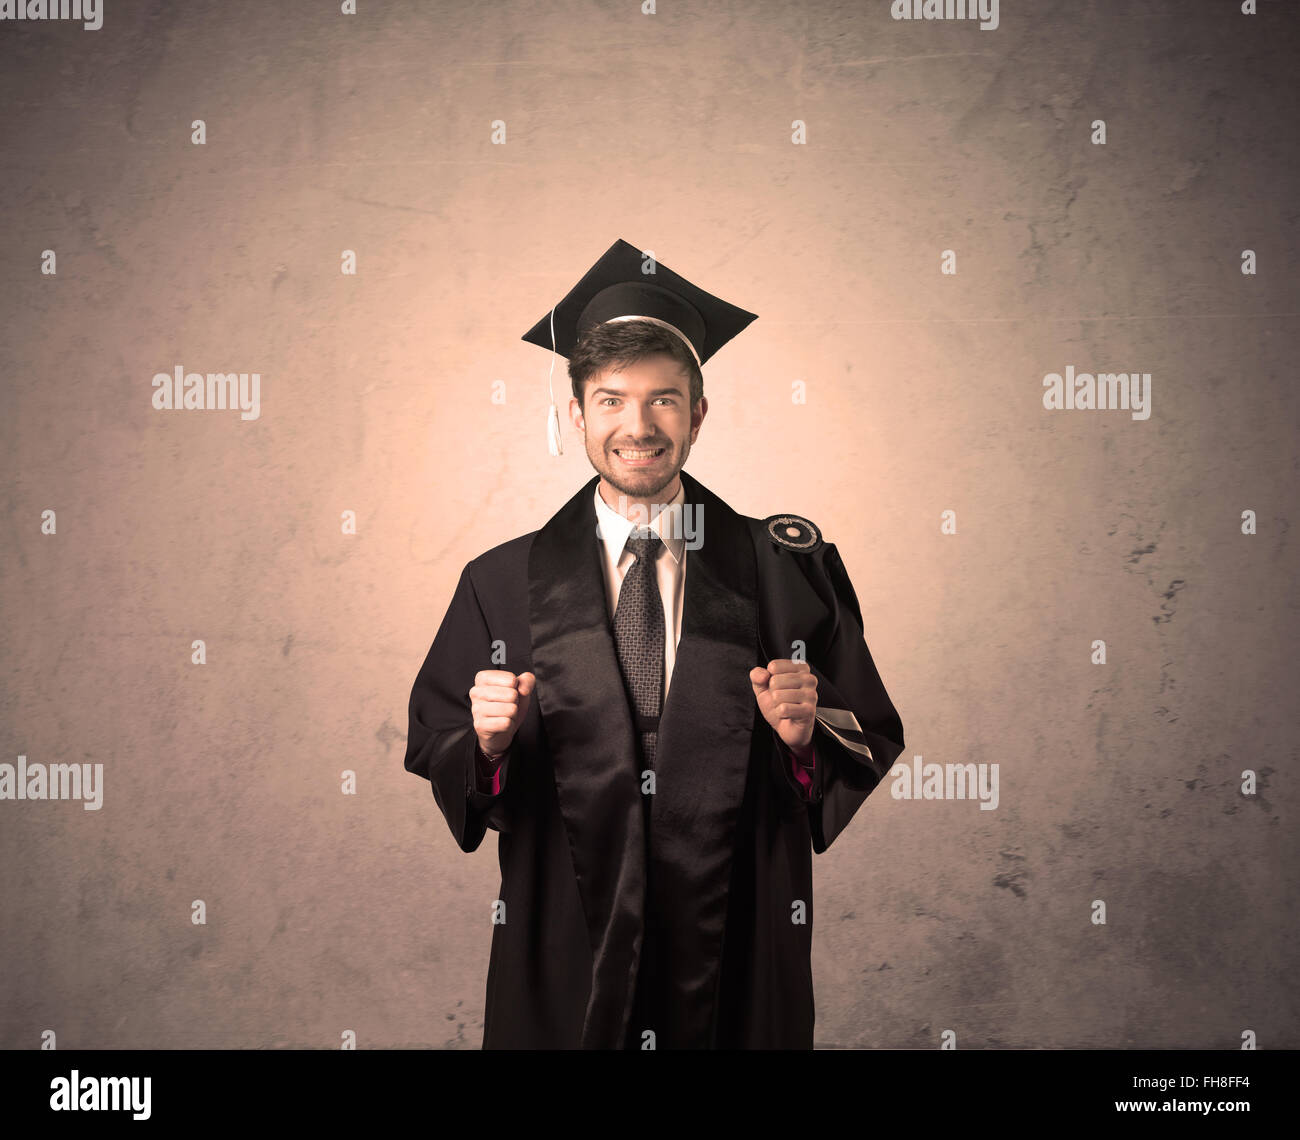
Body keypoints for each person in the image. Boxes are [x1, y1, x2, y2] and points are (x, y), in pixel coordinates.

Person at [403, 239, 905, 1049]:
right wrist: (488, 745)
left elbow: (867, 738)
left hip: (735, 918)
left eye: (664, 401)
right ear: (575, 416)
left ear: (698, 413)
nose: (637, 428)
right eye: (609, 401)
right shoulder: (498, 582)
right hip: (566, 922)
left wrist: (806, 741)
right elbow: (440, 748)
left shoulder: (790, 570)